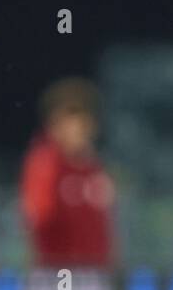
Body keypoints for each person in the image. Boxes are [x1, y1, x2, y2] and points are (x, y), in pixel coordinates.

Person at [19, 77, 115, 268]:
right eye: (69, 121)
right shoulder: (45, 162)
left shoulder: (94, 168)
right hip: (59, 271)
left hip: (95, 271)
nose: (78, 130)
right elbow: (39, 217)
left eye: (83, 122)